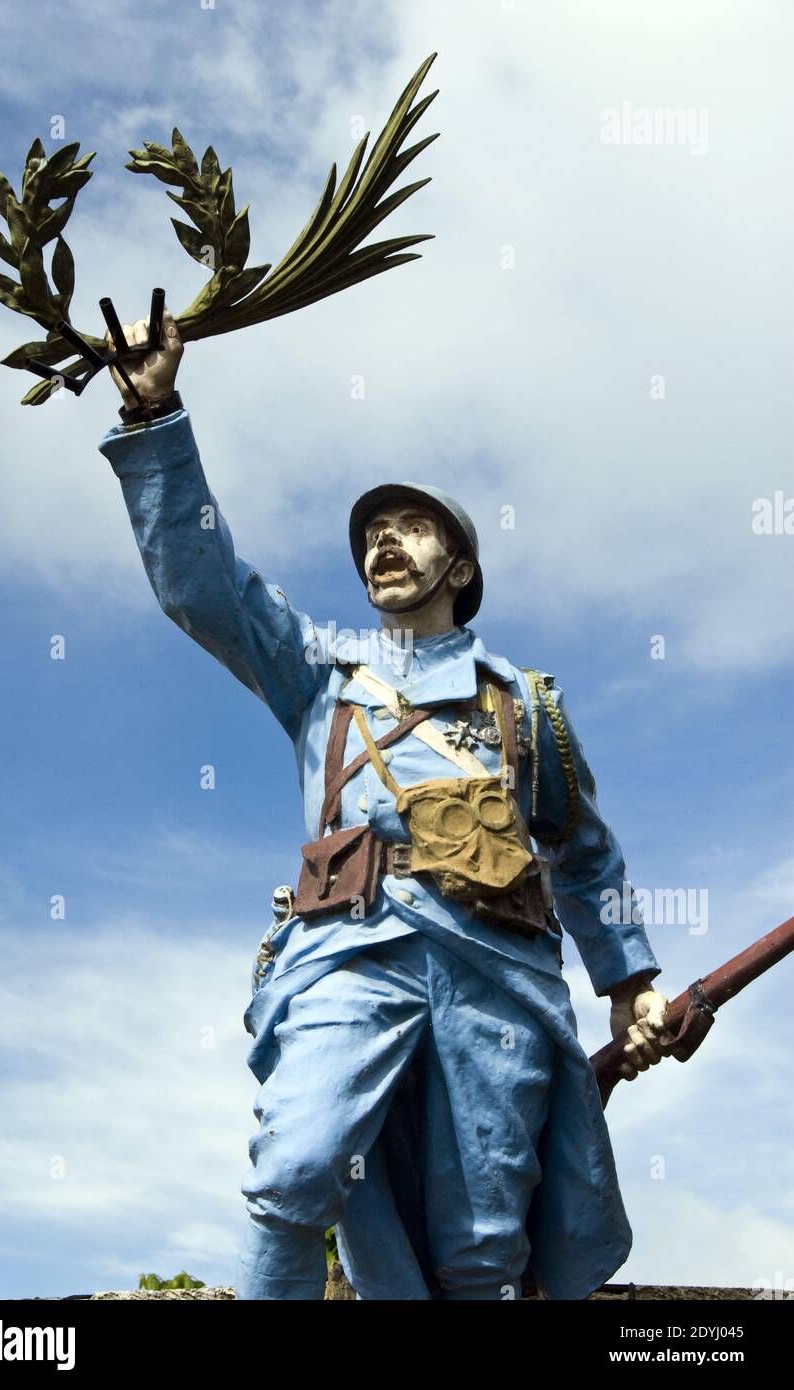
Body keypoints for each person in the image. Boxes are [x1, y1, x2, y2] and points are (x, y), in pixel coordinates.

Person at [98, 307, 668, 1301]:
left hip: (500, 978)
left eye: (409, 527)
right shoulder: (319, 672)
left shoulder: (521, 704)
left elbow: (585, 855)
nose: (382, 544)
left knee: (483, 1245)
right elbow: (206, 588)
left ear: (462, 564)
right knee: (295, 1168)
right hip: (351, 946)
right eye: (370, 534)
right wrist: (159, 420)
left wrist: (631, 981)